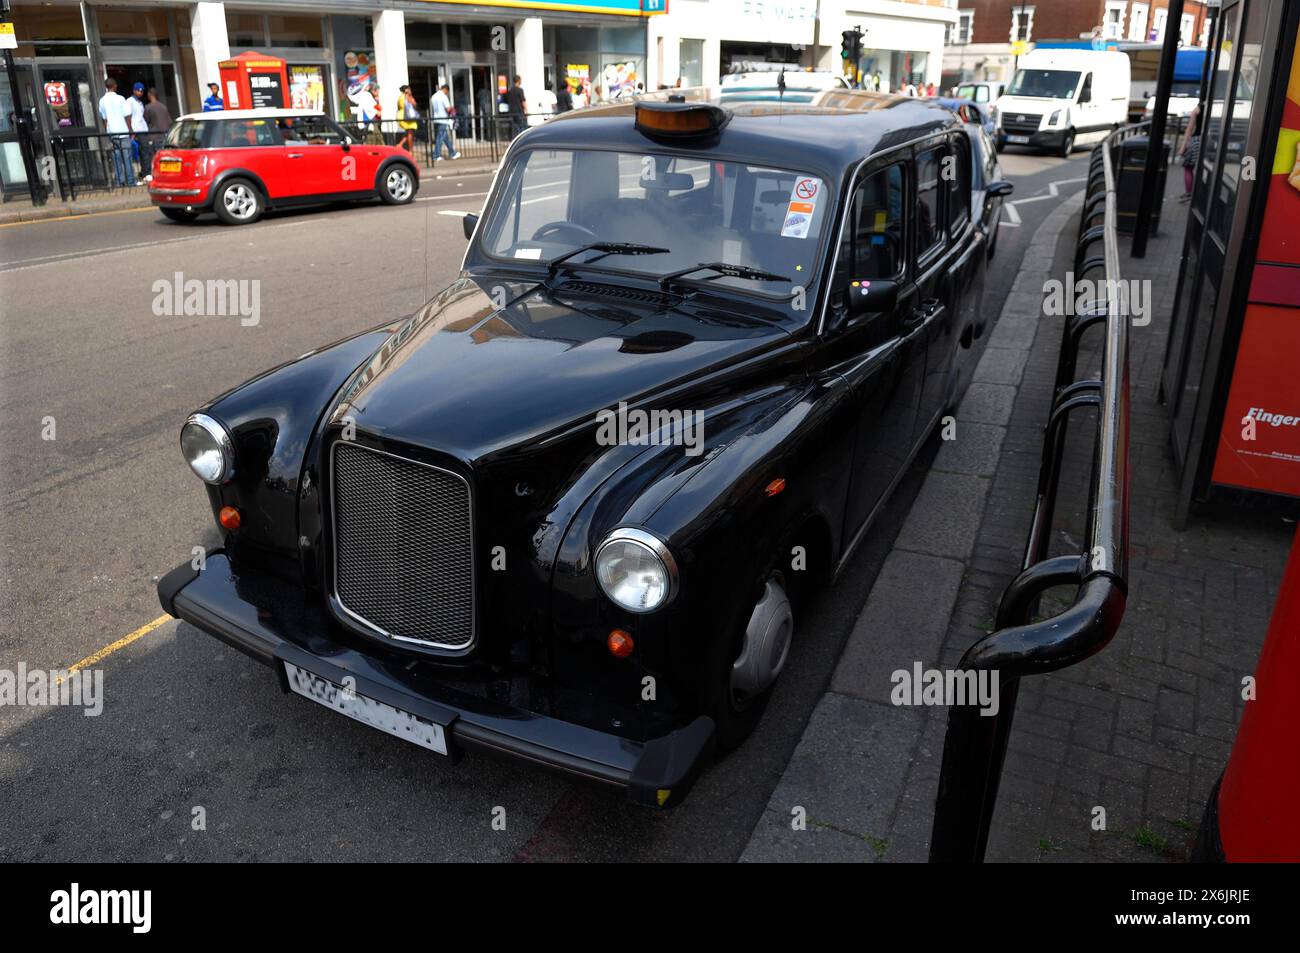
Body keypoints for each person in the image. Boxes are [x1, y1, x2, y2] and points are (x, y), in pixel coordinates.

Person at [98, 78, 136, 186]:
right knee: (127, 158)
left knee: (116, 158)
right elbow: (127, 115)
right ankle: (131, 181)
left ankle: (120, 182)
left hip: (113, 133)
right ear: (114, 86)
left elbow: (104, 119)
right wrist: (130, 130)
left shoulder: (102, 101)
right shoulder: (121, 99)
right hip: (123, 132)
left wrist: (108, 131)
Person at [430, 83, 460, 160]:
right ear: (446, 89)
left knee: (444, 137)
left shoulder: (433, 96)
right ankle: (436, 155)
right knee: (440, 138)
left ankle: (452, 153)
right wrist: (452, 109)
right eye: (447, 91)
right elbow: (448, 109)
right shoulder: (443, 96)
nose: (447, 93)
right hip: (443, 119)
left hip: (436, 119)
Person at [1179, 102, 1201, 202]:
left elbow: (1190, 129)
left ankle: (1189, 193)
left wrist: (1183, 147)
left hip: (1196, 140)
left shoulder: (1197, 110)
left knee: (1188, 168)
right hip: (1207, 140)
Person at [128, 82, 149, 178]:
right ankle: (146, 173)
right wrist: (131, 131)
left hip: (143, 129)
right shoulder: (129, 101)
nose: (140, 93)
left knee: (144, 152)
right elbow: (128, 117)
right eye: (139, 91)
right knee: (141, 152)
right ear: (134, 91)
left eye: (142, 91)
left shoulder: (140, 102)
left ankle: (145, 172)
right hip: (136, 130)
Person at [396, 85, 418, 154]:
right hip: (408, 117)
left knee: (409, 133)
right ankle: (410, 151)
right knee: (410, 134)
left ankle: (400, 145)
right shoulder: (407, 96)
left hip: (401, 116)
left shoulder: (400, 97)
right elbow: (414, 104)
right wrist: (411, 96)